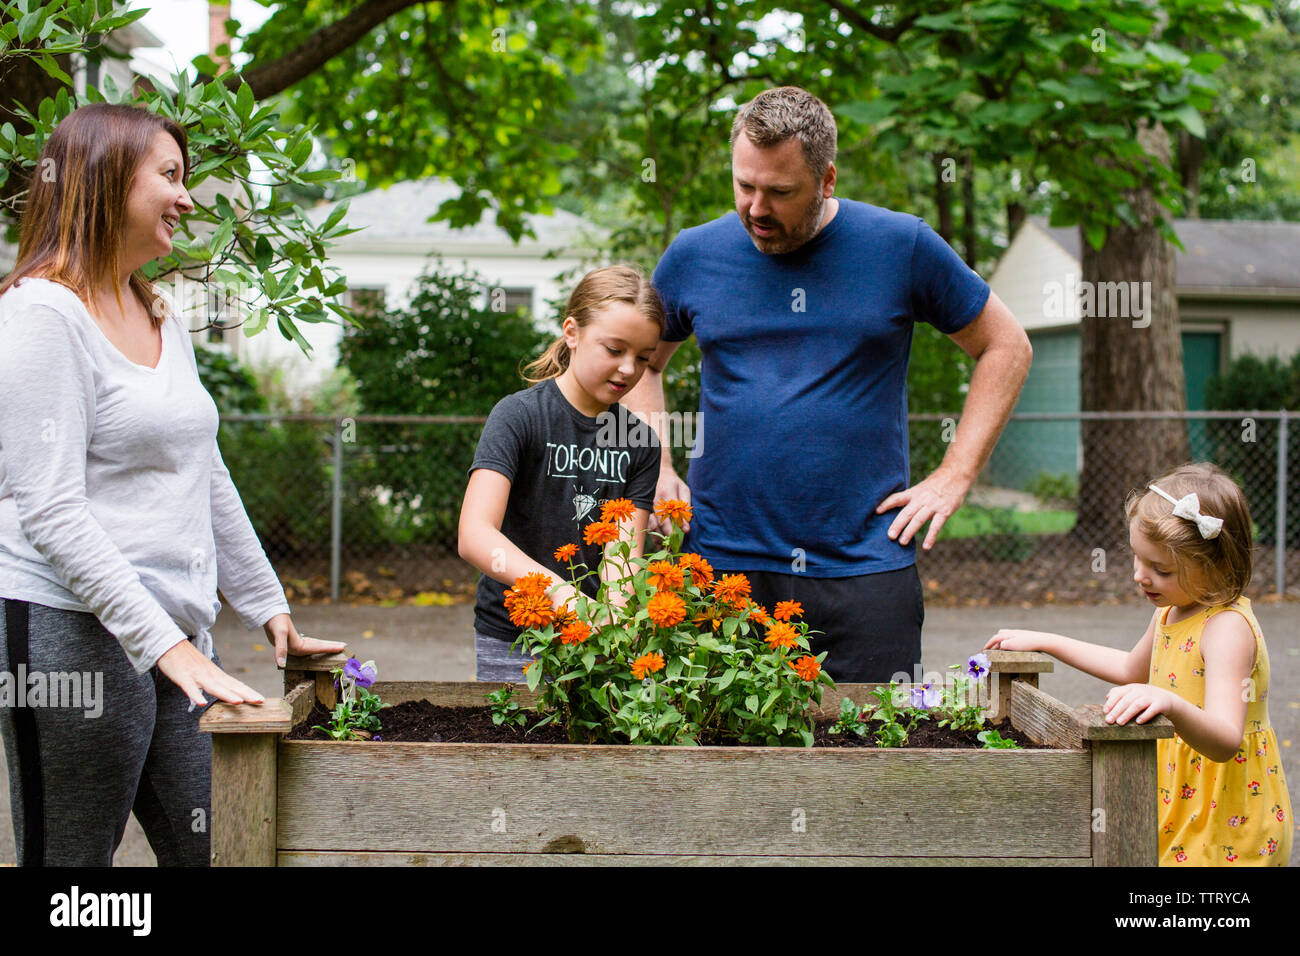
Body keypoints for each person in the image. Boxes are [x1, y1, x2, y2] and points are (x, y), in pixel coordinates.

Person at [0, 103, 344, 866]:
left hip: (174, 640)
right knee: (71, 867)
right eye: (170, 175)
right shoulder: (42, 315)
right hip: (70, 636)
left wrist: (267, 607)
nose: (188, 200)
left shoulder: (159, 312)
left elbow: (204, 471)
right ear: (105, 178)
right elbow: (50, 509)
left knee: (223, 846)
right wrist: (168, 649)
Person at [623, 85, 1032, 682]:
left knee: (869, 765)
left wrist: (955, 474)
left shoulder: (902, 246)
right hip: (722, 563)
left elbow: (1007, 345)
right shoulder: (694, 254)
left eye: (780, 192)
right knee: (719, 766)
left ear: (827, 179)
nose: (757, 209)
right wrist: (657, 463)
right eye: (744, 186)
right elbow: (645, 364)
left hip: (864, 568)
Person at [986, 462, 1292, 866]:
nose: (1139, 576)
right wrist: (1047, 641)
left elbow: (1224, 738)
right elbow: (1132, 668)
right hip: (1179, 793)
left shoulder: (1226, 628)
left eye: (1160, 570)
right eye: (1137, 559)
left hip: (1225, 812)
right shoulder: (1171, 611)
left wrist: (1170, 703)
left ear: (1217, 565)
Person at [458, 265, 663, 680]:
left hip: (591, 643)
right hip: (512, 638)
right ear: (572, 332)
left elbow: (623, 562)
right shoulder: (519, 416)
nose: (629, 369)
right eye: (614, 349)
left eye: (643, 357)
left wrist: (616, 624)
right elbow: (475, 535)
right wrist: (561, 593)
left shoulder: (641, 442)